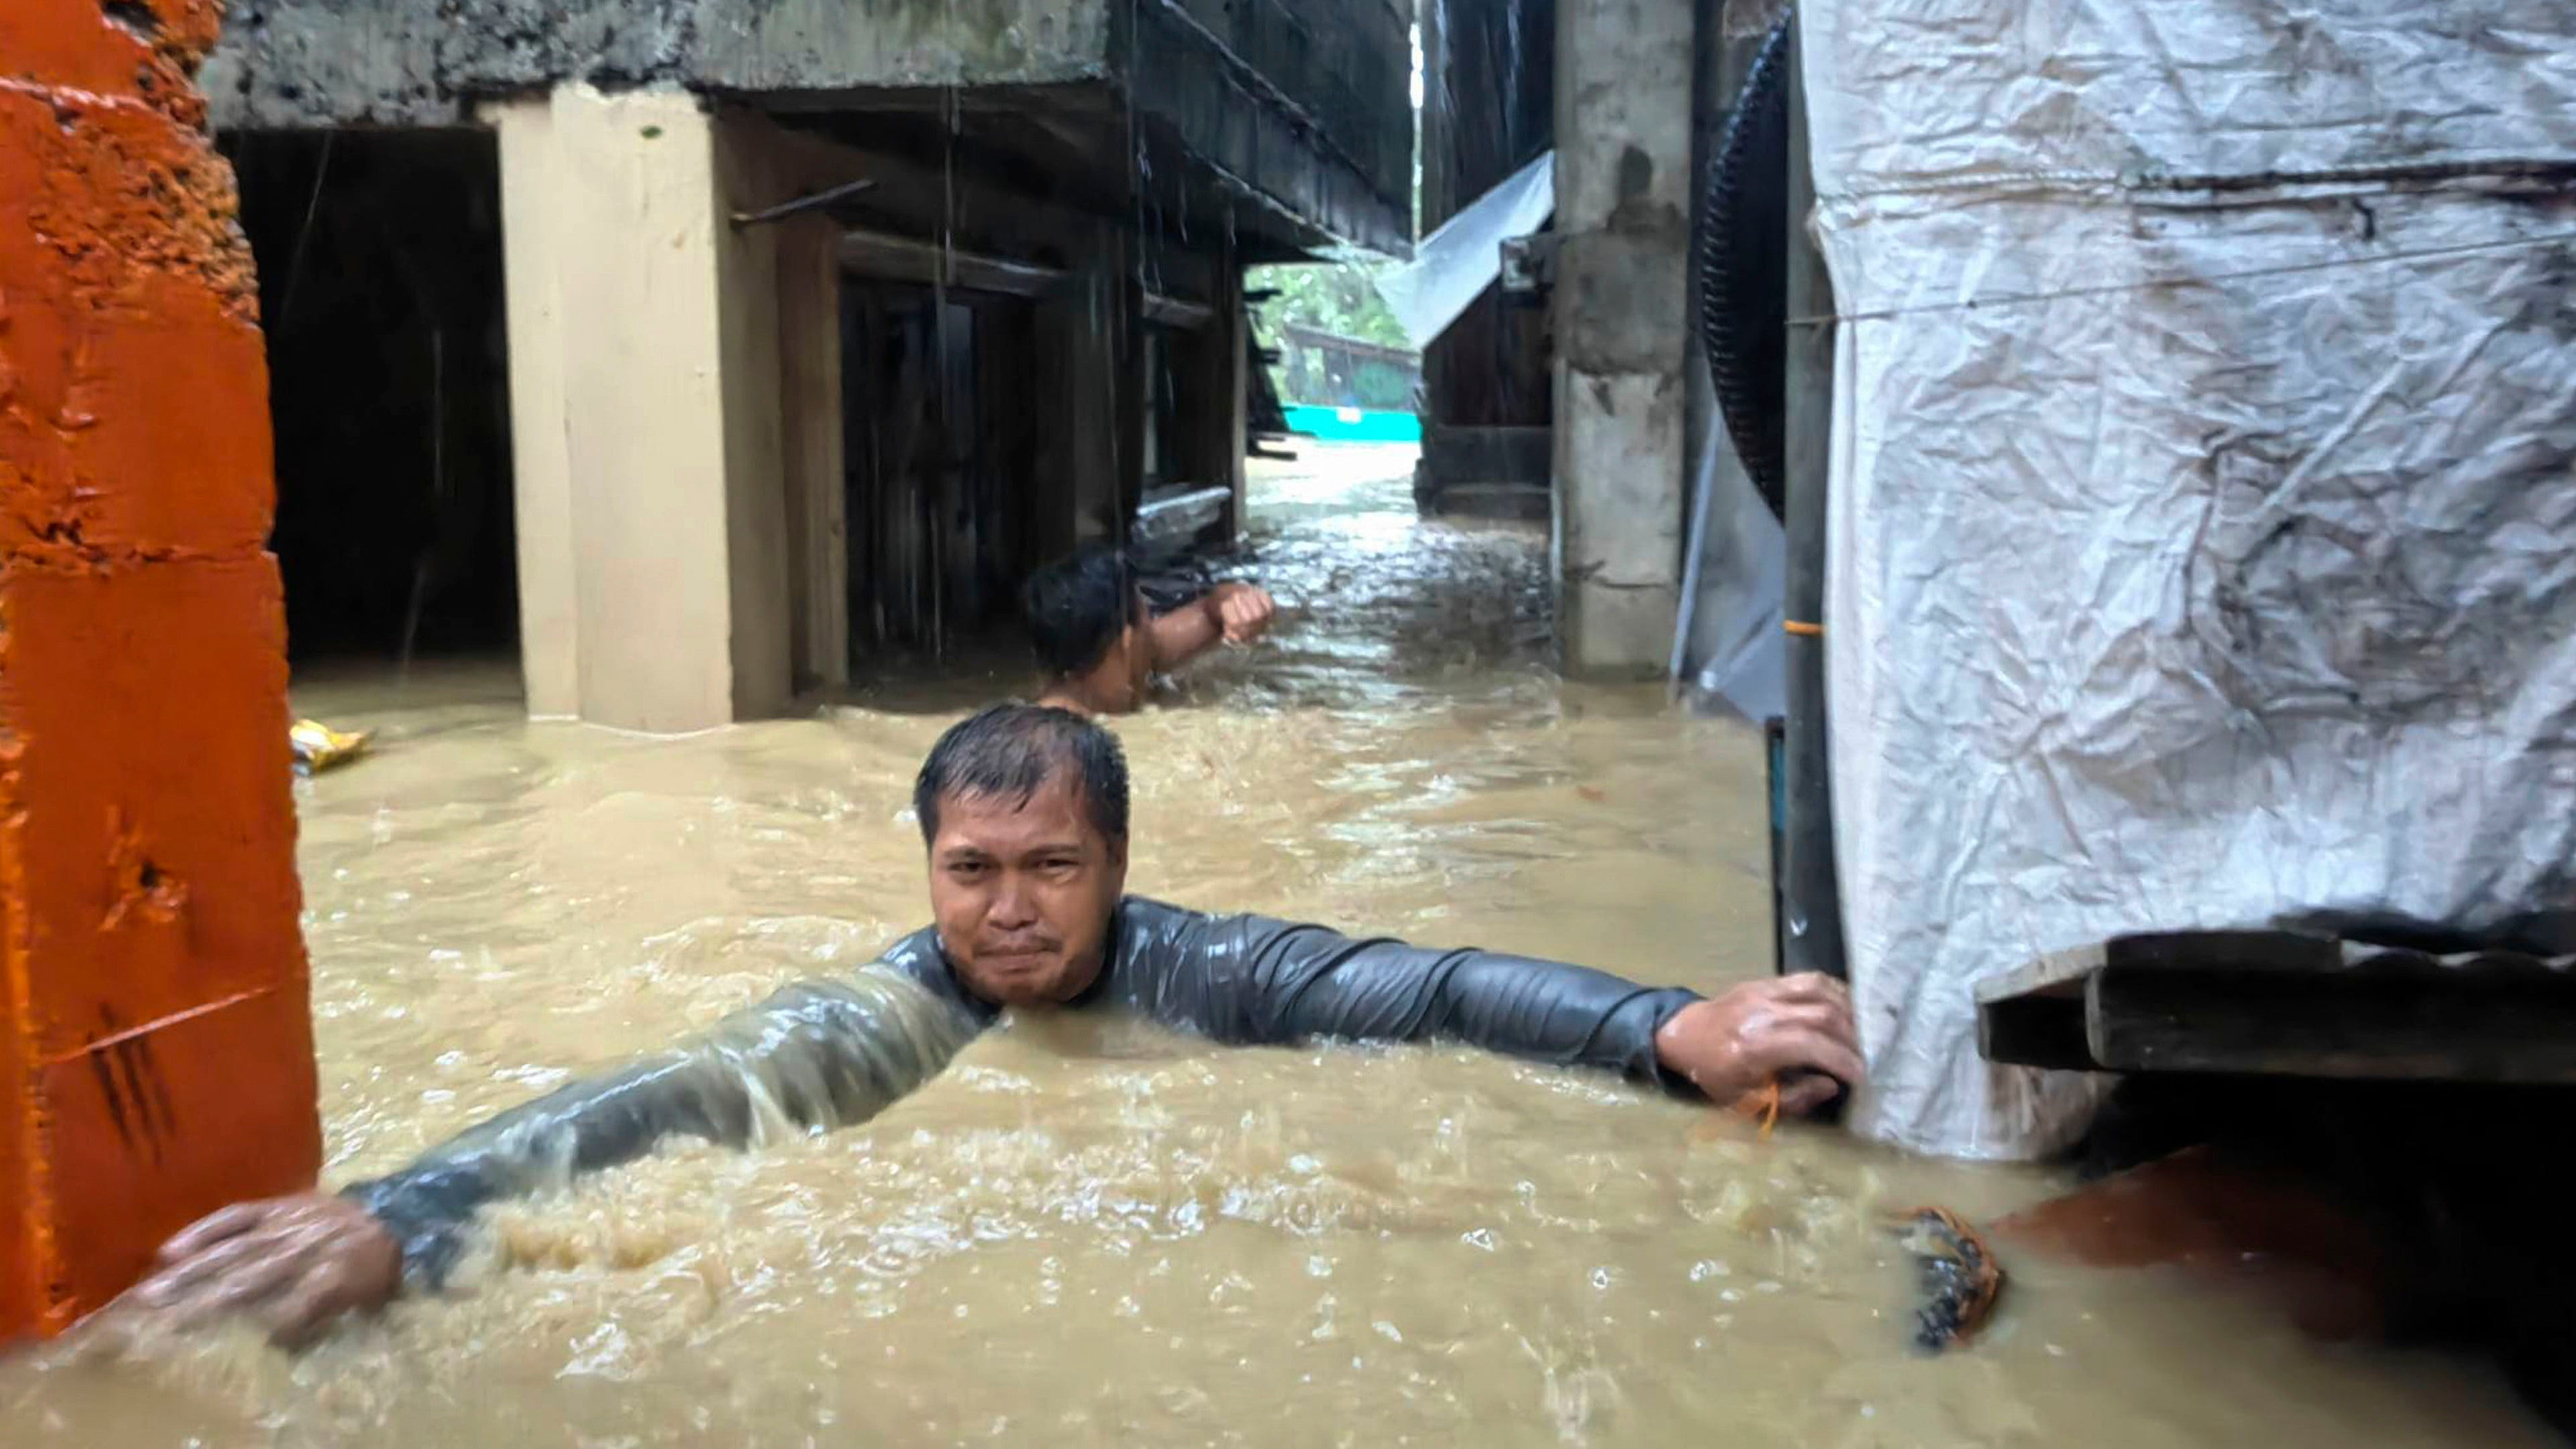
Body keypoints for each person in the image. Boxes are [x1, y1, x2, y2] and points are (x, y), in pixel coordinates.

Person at [130, 704, 1863, 1346]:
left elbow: (1422, 988)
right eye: (971, 868)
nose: (1009, 911)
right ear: (927, 867)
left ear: (1118, 867)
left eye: (1050, 867)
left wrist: (1665, 1027)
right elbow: (701, 1092)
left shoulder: (1205, 969)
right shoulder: (907, 1005)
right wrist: (413, 1215)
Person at [1022, 544, 1277, 714]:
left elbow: (1207, 612)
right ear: (1127, 641)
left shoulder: (1105, 660)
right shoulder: (1076, 742)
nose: (1153, 628)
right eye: (1147, 616)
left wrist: (1238, 601)